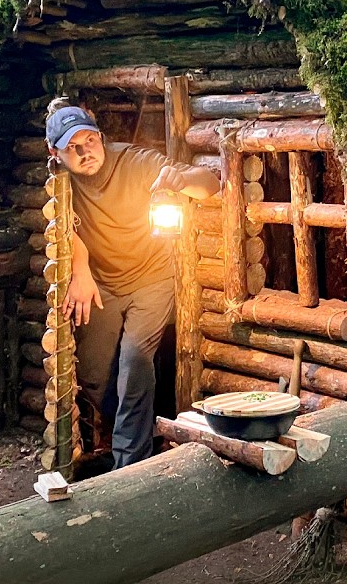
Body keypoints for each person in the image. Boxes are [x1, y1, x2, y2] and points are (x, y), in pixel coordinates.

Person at [46, 101, 221, 469]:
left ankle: (129, 466)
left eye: (89, 141)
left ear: (100, 137)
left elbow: (211, 183)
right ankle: (142, 425)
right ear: (56, 153)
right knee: (94, 374)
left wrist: (182, 180)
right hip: (103, 286)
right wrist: (80, 266)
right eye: (72, 147)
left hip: (151, 279)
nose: (84, 152)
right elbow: (63, 223)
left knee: (135, 362)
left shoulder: (137, 163)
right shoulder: (58, 183)